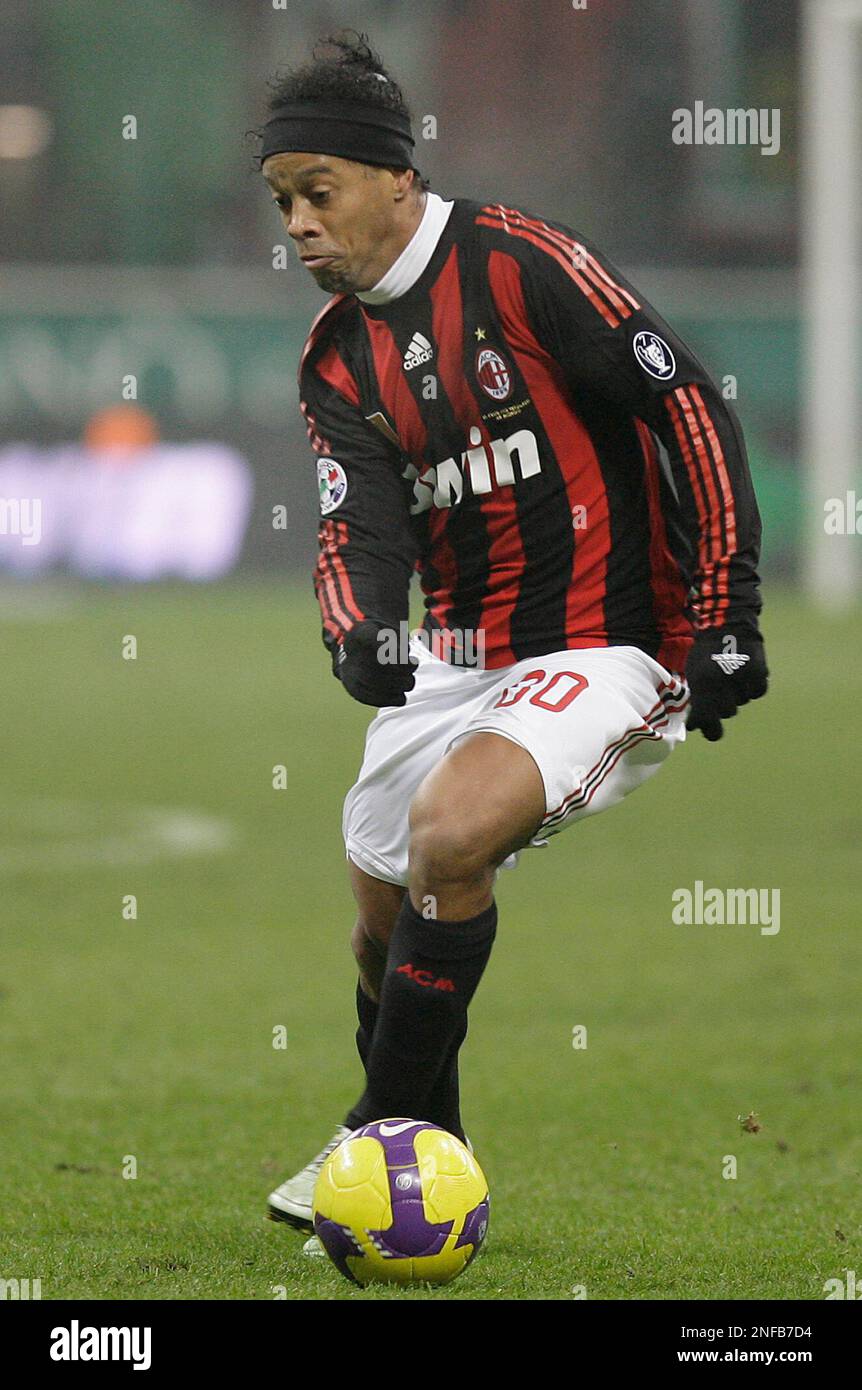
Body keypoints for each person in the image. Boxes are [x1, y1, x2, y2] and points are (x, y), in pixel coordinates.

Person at [257, 32, 768, 1237]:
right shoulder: (338, 357)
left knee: (450, 833)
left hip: (604, 642)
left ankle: (375, 1149)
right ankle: (436, 1147)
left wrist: (726, 614)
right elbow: (356, 527)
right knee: (382, 911)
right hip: (457, 661)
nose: (297, 226)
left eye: (317, 193)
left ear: (393, 178)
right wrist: (360, 631)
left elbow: (685, 401)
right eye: (282, 202)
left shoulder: (524, 263)